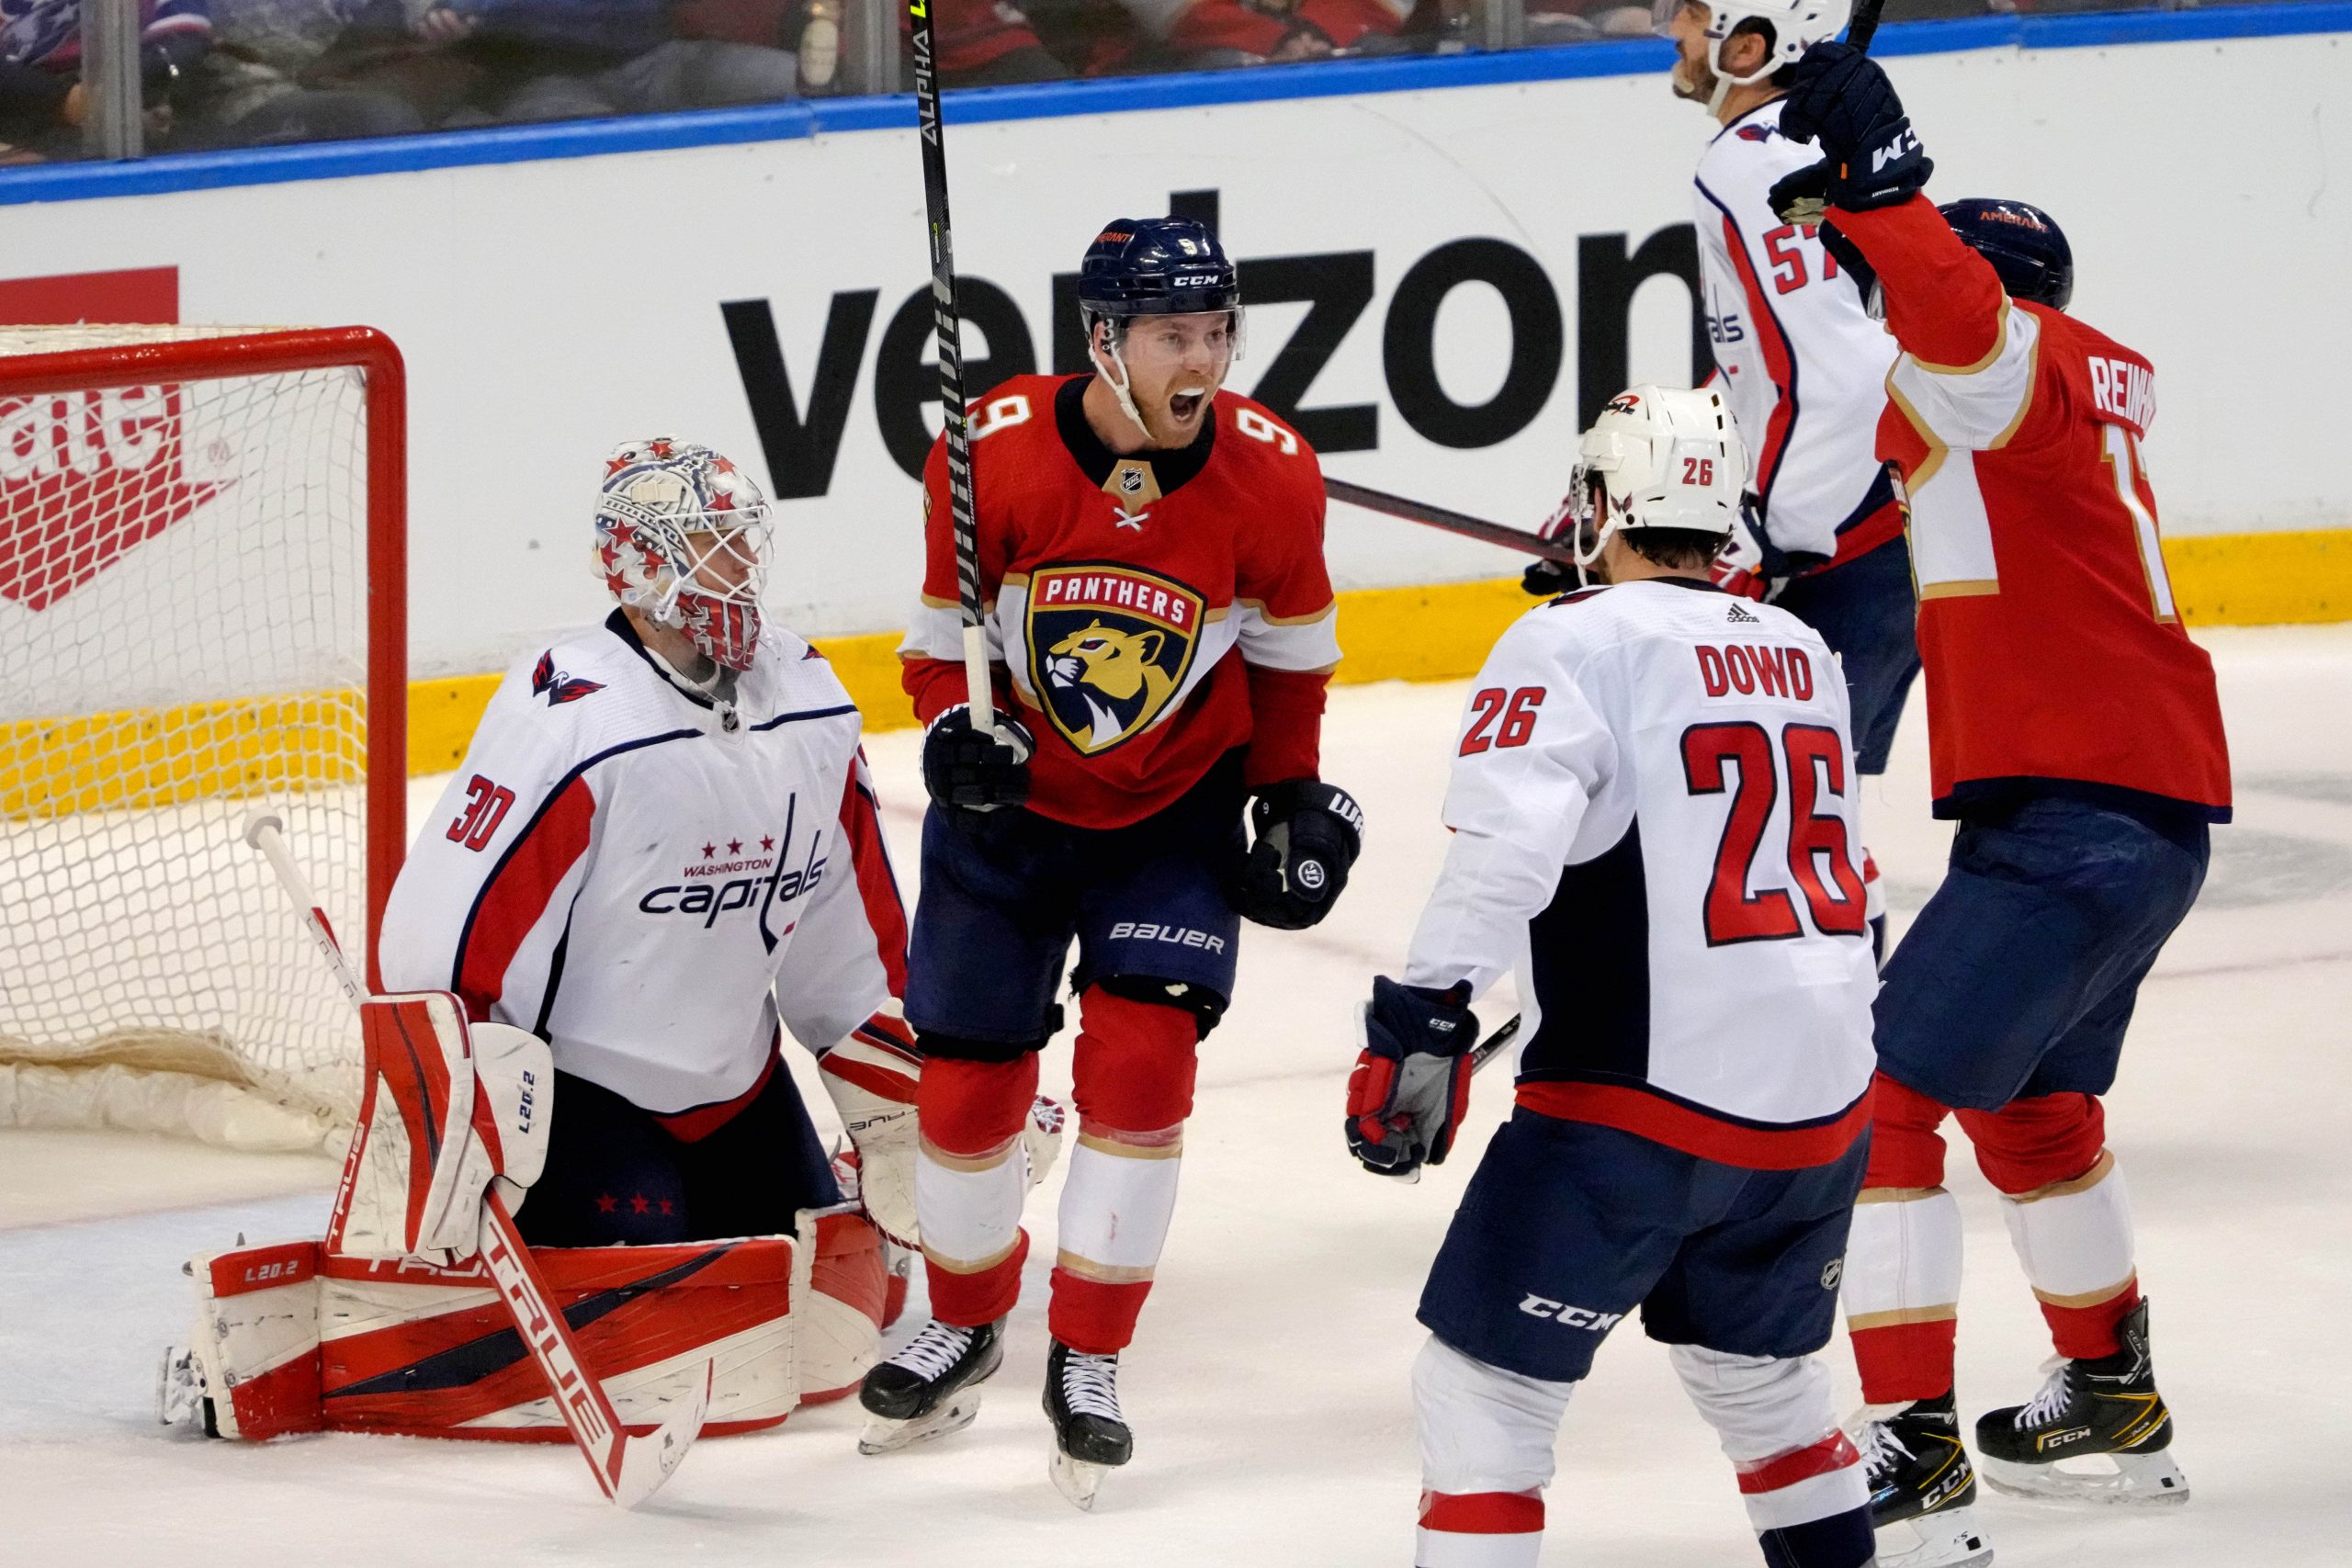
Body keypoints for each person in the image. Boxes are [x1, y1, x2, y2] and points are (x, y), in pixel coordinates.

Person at [1767, 43, 2231, 1565]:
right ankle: (2109, 1393)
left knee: (1885, 1096)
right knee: (2030, 1104)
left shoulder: (2011, 368)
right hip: (2135, 816)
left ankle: (1911, 1444)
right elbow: (1833, 511)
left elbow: (1958, 327)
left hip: (2078, 812)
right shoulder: (2022, 419)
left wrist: (1886, 194)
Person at [865, 216, 1361, 1508]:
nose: (1202, 359)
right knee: (967, 1092)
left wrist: (1290, 796)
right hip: (1012, 815)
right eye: (1171, 336)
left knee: (1143, 1072)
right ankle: (963, 1313)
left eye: (1217, 332)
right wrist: (951, 733)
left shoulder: (1276, 474)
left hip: (1171, 814)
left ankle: (1087, 1352)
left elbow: (1290, 663)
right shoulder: (989, 455)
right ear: (1104, 338)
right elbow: (935, 647)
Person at [1352, 385, 1880, 1568]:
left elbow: (1503, 860)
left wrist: (1419, 1019)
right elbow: (1863, 891)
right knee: (1767, 1390)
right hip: (1822, 1114)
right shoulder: (1802, 649)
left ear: (1599, 501)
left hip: (1638, 1116)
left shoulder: (1569, 641)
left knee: (1484, 1396)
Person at [378, 436, 925, 1258]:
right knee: (643, 1281)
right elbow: (444, 943)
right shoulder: (575, 719)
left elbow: (846, 933)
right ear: (638, 568)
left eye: (745, 537)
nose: (741, 563)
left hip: (739, 1085)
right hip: (585, 1092)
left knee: (829, 1293)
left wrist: (916, 1104)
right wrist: (470, 1121)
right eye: (713, 542)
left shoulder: (808, 697)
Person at [1662, 0, 1920, 958]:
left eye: (1690, 16)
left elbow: (1839, 376)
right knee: (1816, 821)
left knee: (1797, 829)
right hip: (1878, 530)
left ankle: (1839, 1077)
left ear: (1751, 40)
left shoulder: (1746, 160)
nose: (1675, 35)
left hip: (1845, 545)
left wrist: (1769, 532)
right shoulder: (1784, 147)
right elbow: (1770, 370)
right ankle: (1837, 1070)